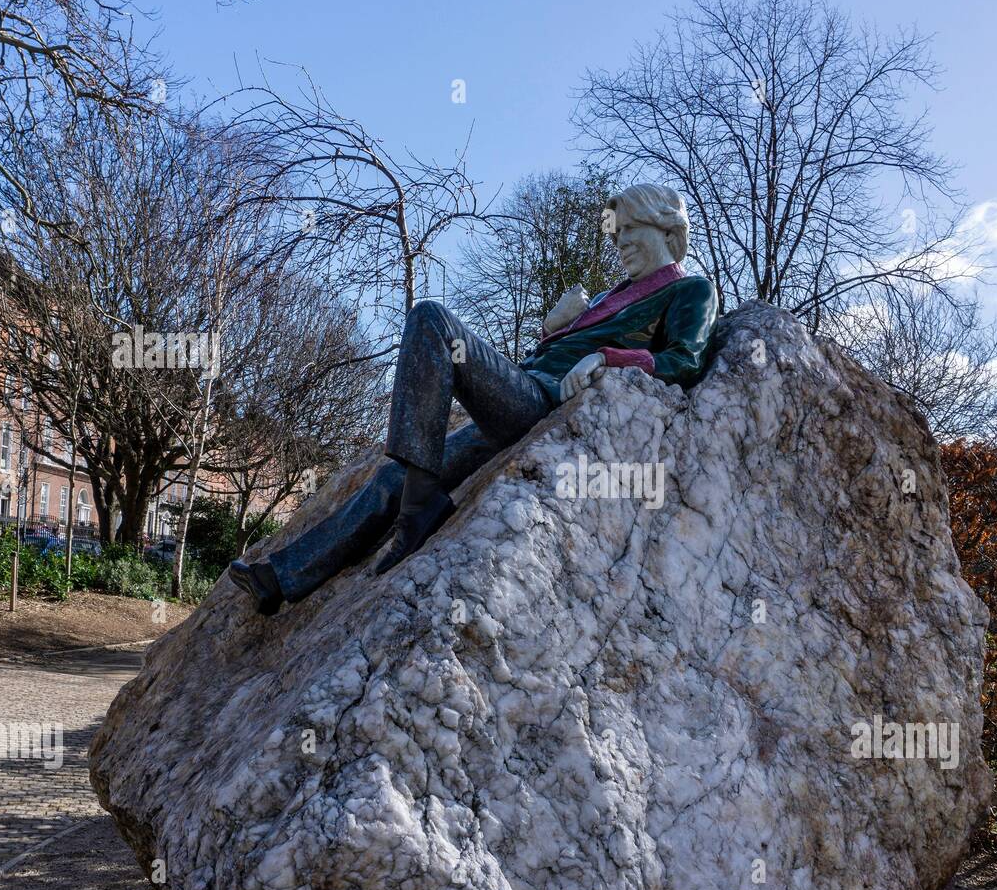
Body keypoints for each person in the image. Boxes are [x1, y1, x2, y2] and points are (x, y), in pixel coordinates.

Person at [228, 182, 719, 615]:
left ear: (667, 230)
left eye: (632, 230)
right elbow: (553, 352)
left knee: (432, 320)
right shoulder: (612, 295)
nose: (622, 244)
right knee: (395, 476)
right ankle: (281, 579)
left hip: (541, 405)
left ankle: (421, 509)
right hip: (520, 400)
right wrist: (555, 326)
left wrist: (608, 358)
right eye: (617, 235)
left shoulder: (689, 289)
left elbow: (685, 361)